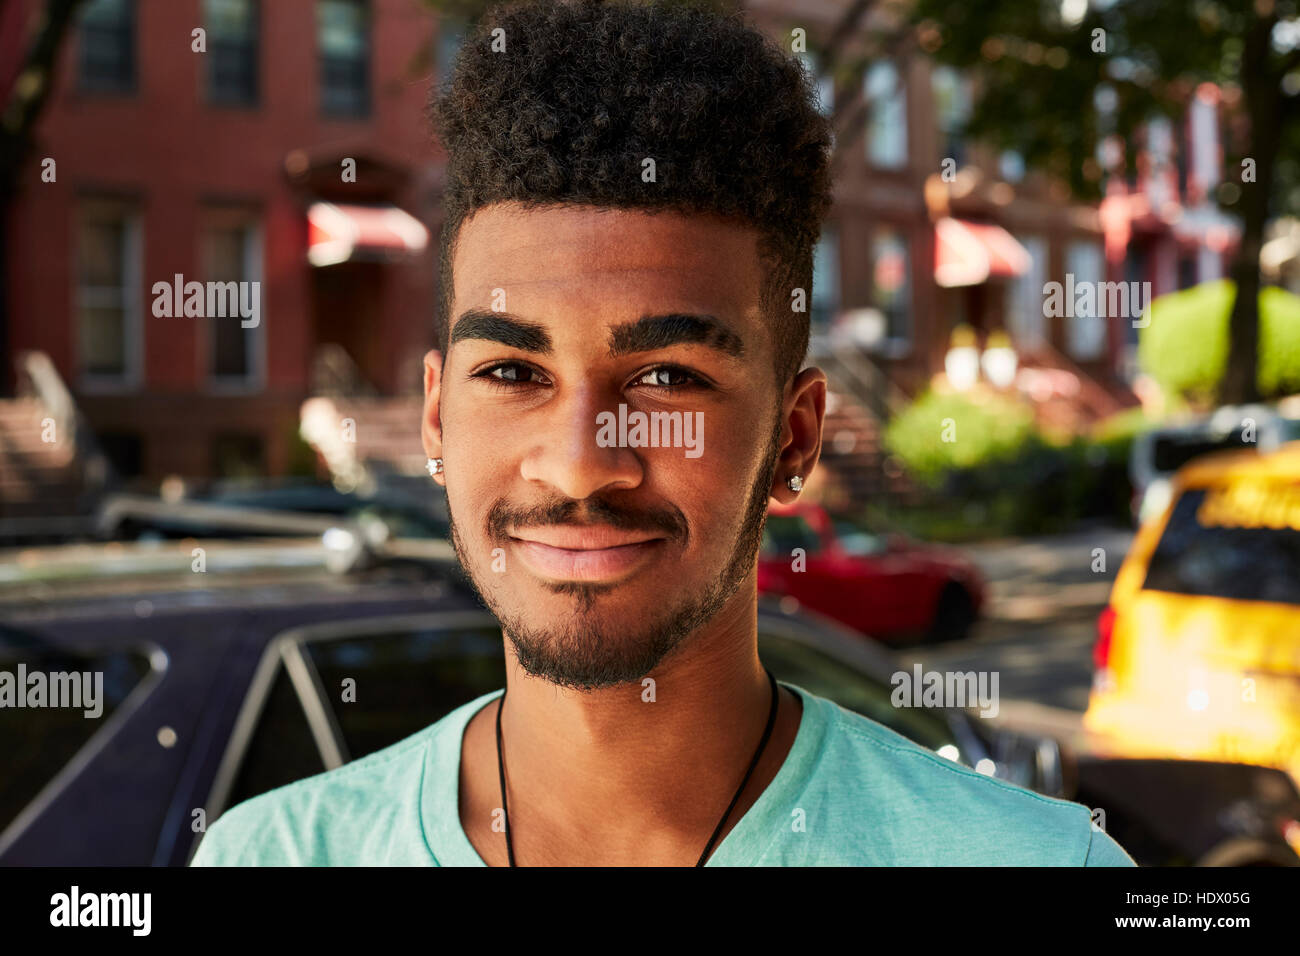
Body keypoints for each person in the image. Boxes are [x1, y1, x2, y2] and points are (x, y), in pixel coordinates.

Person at [192, 0, 1134, 866]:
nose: (578, 463)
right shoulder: (268, 857)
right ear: (438, 415)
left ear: (793, 441)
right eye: (513, 372)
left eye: (667, 378)